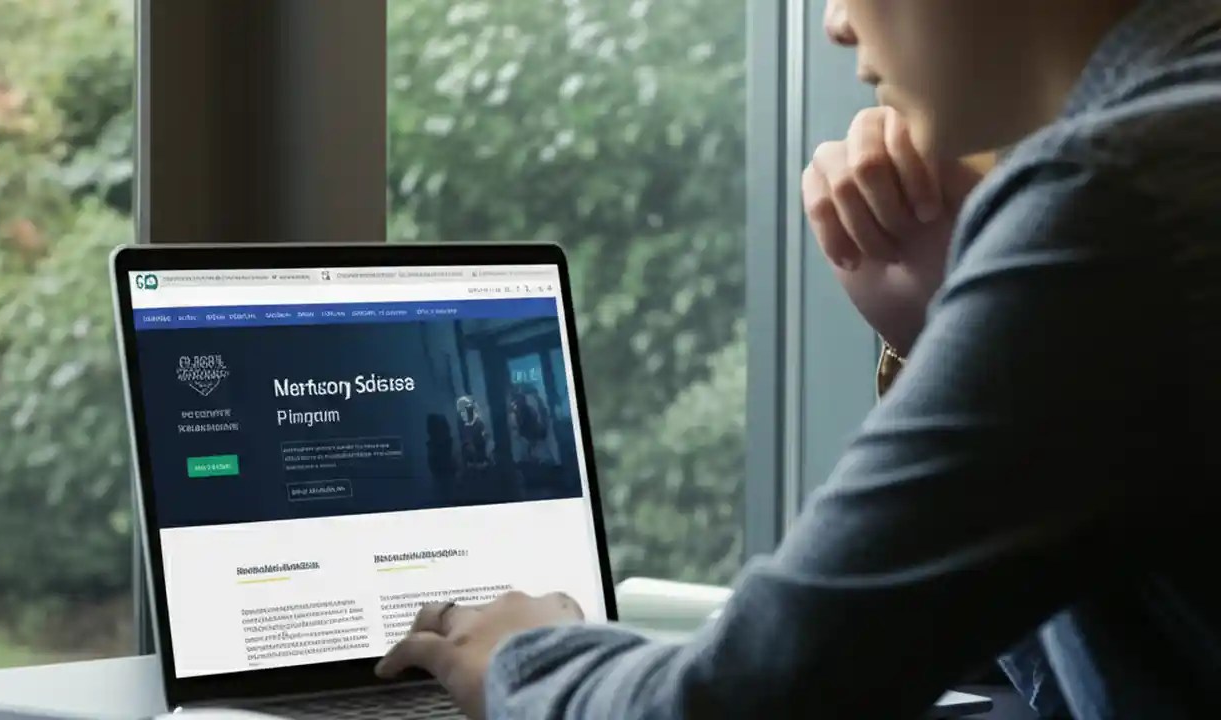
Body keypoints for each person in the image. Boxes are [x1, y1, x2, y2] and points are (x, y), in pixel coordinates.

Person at [378, 1, 1221, 717]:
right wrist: (948, 314)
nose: (835, 25)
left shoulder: (1116, 202)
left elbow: (751, 698)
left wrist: (525, 658)